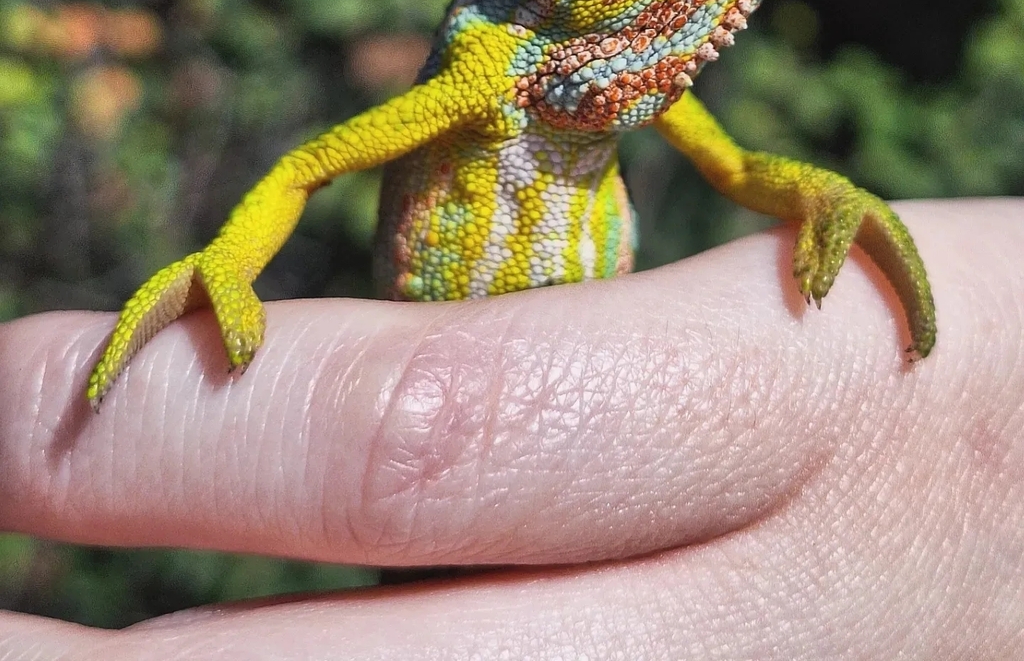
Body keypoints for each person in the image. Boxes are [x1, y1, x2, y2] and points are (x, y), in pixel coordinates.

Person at [0, 200, 1021, 659]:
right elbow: (316, 158)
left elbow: (730, 159)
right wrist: (227, 258)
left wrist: (821, 193)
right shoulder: (491, 62)